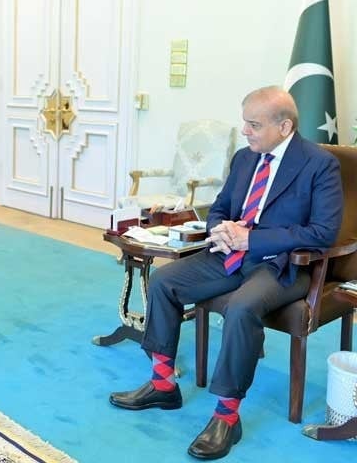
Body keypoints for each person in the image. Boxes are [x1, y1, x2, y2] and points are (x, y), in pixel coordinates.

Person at [109, 86, 343, 460]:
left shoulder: (318, 164)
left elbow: (322, 233)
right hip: (229, 255)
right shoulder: (245, 158)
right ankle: (162, 384)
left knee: (240, 307)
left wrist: (252, 240)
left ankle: (227, 417)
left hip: (281, 265)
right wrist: (220, 229)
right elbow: (220, 208)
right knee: (167, 282)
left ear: (284, 127)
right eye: (244, 122)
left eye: (253, 124)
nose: (245, 131)